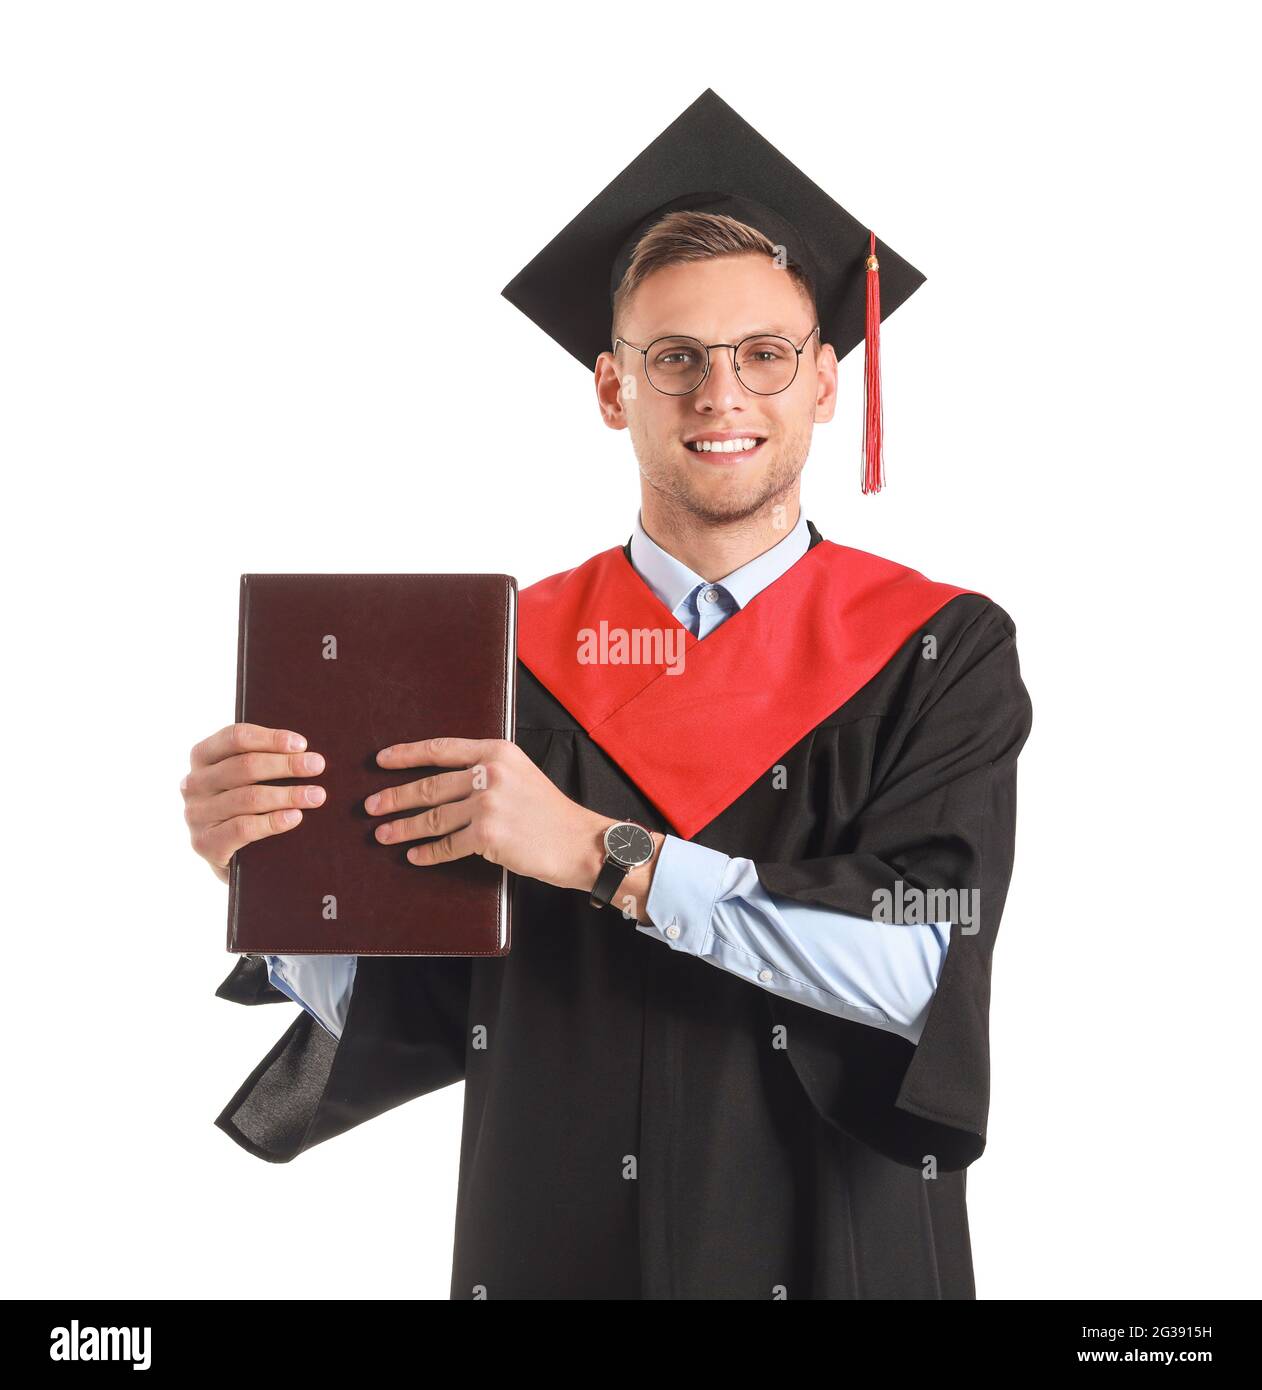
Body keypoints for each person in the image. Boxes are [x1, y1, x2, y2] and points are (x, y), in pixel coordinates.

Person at [182, 90, 1033, 1299]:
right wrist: (274, 875)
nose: (719, 394)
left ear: (825, 382)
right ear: (609, 387)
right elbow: (429, 1006)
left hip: (835, 1241)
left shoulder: (935, 649)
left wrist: (600, 851)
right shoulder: (498, 657)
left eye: (763, 354)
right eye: (673, 357)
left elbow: (916, 965)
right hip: (552, 1237)